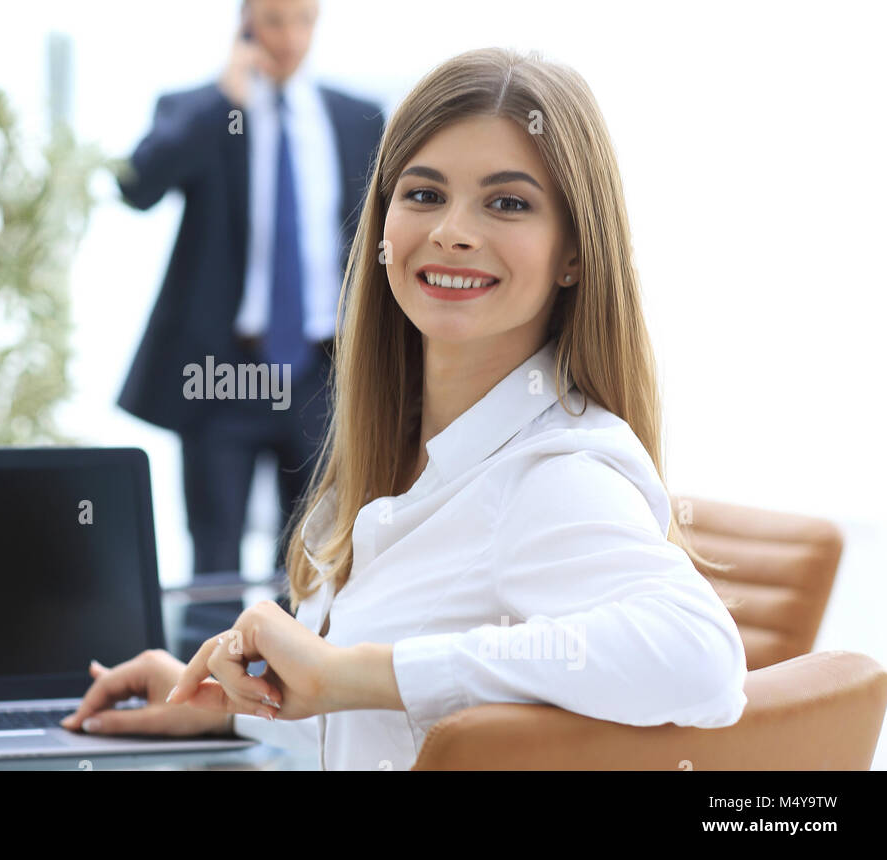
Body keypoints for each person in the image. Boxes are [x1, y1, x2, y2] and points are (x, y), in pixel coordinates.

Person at [63, 46, 750, 770]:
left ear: (573, 253)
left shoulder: (554, 474)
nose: (452, 230)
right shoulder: (397, 456)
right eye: (423, 194)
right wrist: (228, 709)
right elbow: (385, 731)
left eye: (507, 202)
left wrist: (349, 670)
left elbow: (702, 657)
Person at [114, 0, 386, 621]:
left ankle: (285, 702)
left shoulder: (356, 118)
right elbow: (136, 185)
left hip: (320, 374)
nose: (289, 38)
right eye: (273, 20)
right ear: (244, 21)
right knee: (215, 552)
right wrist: (224, 97)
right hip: (222, 375)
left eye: (304, 21)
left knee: (309, 555)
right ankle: (204, 697)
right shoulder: (201, 110)